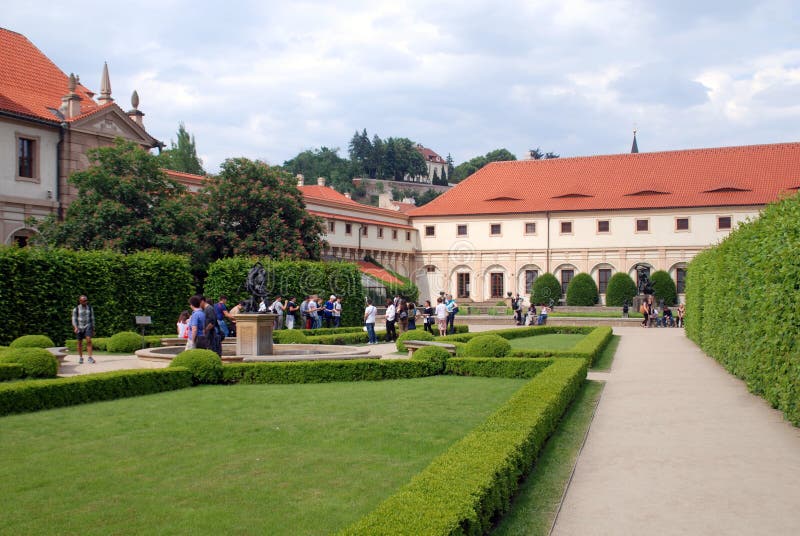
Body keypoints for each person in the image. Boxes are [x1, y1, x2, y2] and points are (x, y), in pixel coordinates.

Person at [71, 295, 96, 364]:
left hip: (88, 325)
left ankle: (90, 357)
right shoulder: (76, 309)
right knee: (79, 342)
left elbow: (92, 318)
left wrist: (93, 328)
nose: (85, 302)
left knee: (89, 340)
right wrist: (75, 327)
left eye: (86, 300)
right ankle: (81, 358)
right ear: (80, 301)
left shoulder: (90, 308)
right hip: (79, 327)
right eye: (83, 301)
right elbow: (74, 319)